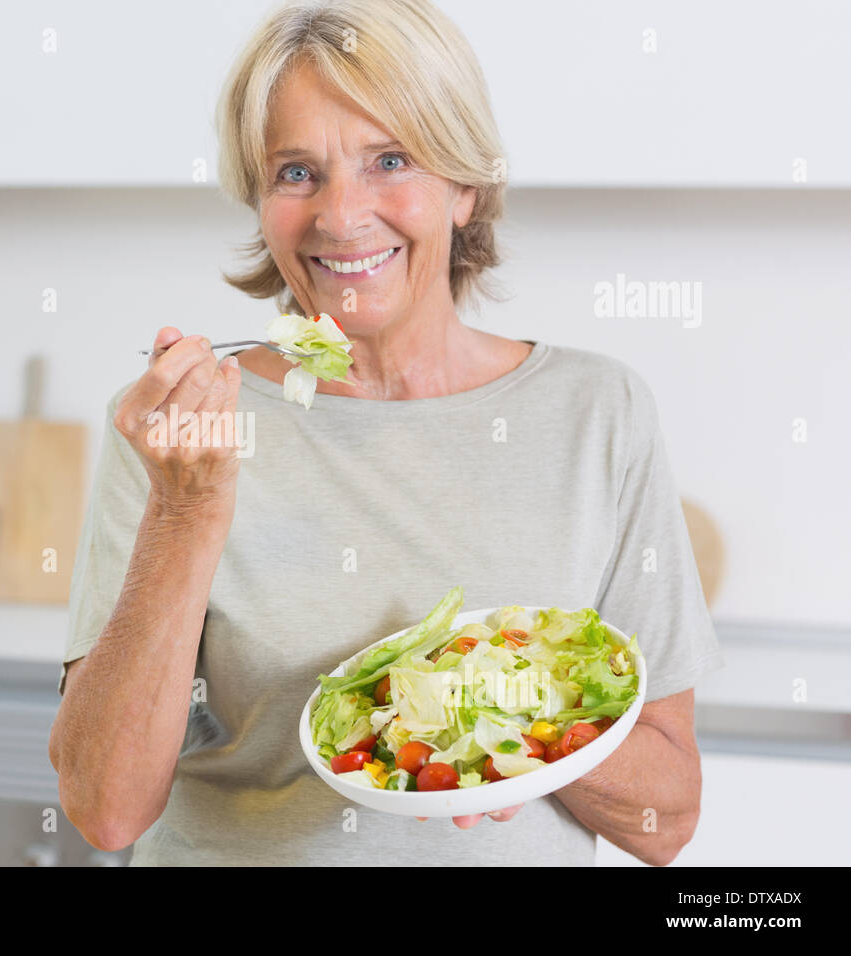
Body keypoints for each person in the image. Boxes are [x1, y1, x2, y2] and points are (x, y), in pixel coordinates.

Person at [48, 0, 723, 865]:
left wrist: (490, 715)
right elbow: (104, 809)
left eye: (390, 160)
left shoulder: (601, 412)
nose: (341, 215)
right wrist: (186, 514)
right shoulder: (182, 431)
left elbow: (667, 821)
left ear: (465, 184)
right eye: (297, 172)